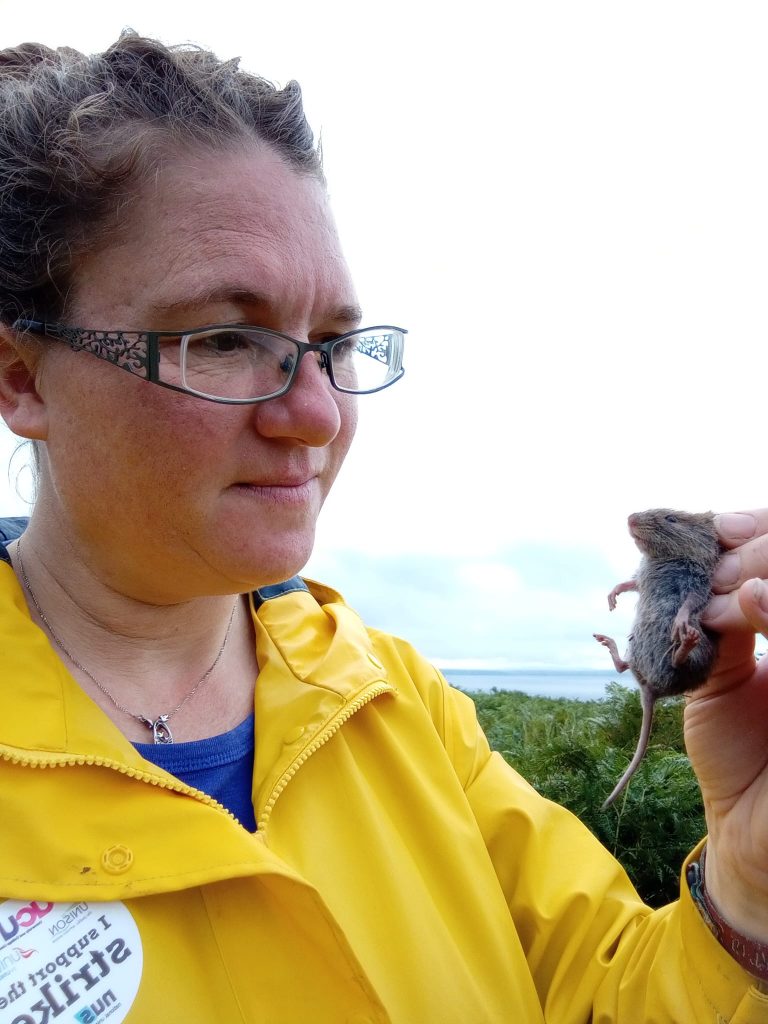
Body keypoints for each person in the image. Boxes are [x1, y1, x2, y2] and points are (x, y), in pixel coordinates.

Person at [0, 30, 766, 1024]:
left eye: (332, 344)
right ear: (23, 376)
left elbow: (608, 993)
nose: (317, 415)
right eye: (226, 339)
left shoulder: (392, 699)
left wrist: (747, 896)